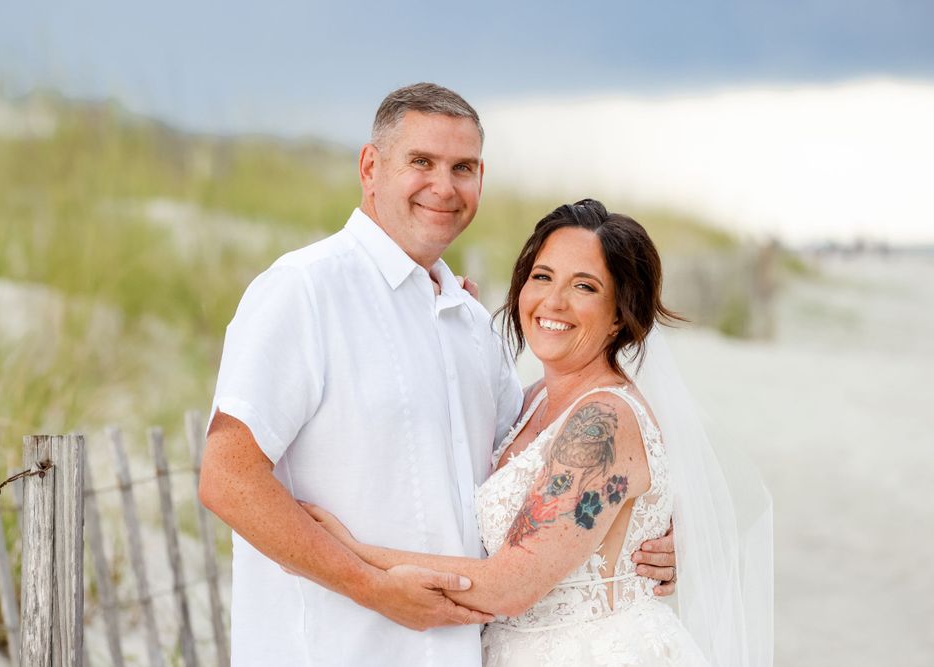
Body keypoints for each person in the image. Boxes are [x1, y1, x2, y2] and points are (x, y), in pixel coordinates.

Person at [198, 84, 677, 667]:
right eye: (420, 162)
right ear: (371, 167)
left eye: (463, 168)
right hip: (333, 648)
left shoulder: (473, 326)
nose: (443, 187)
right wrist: (366, 582)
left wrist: (639, 542)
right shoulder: (305, 290)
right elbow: (226, 479)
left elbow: (535, 475)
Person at [303, 199, 774, 665]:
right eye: (542, 277)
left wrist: (350, 553)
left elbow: (510, 587)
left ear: (618, 314)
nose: (553, 302)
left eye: (584, 286)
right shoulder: (531, 403)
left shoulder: (601, 424)